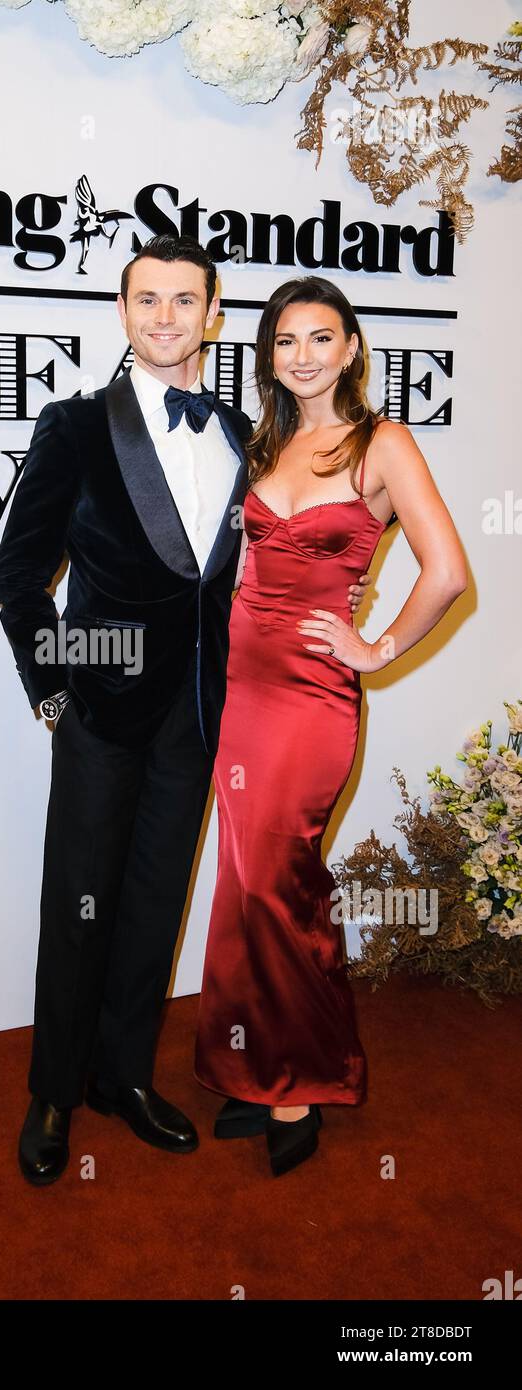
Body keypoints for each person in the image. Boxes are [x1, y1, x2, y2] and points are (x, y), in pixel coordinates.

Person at [0, 235, 373, 1185]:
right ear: (125, 314)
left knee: (155, 905)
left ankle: (124, 1077)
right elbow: (18, 573)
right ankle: (51, 1091)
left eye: (184, 301)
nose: (165, 318)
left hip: (205, 719)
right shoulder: (75, 426)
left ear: (212, 316)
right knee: (77, 904)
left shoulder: (251, 439)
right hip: (101, 714)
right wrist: (56, 686)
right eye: (146, 300)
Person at [194, 274, 467, 1177]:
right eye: (284, 342)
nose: (301, 356)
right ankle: (251, 1066)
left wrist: (376, 644)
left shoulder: (382, 444)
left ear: (350, 346)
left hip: (312, 696)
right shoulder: (266, 441)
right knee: (241, 883)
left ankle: (308, 1075)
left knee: (285, 880)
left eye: (320, 338)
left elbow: (448, 570)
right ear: (268, 356)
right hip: (240, 680)